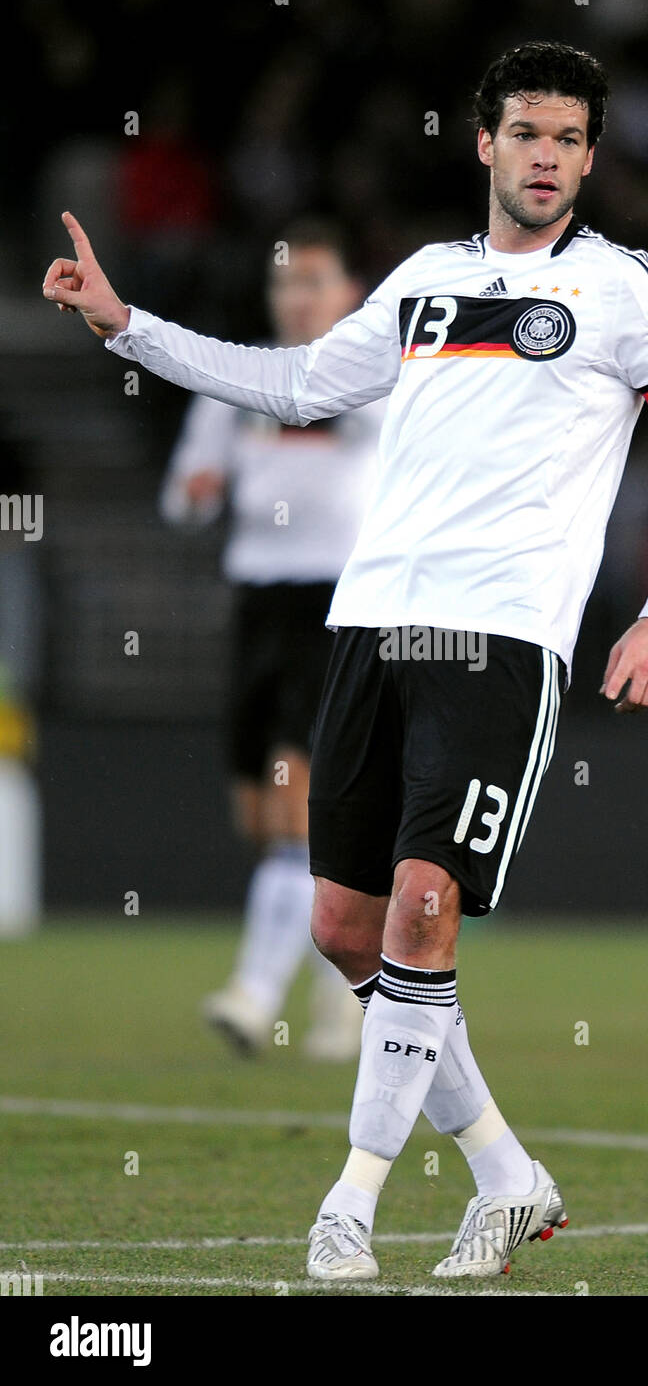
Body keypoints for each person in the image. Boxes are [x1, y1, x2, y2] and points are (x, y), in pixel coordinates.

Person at [42, 40, 648, 1282]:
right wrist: (125, 325)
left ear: (589, 156)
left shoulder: (627, 290)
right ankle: (504, 1174)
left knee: (425, 913)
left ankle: (349, 1207)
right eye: (525, 133)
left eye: (569, 139)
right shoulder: (425, 280)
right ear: (482, 143)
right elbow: (302, 383)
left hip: (503, 638)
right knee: (345, 925)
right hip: (368, 627)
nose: (545, 157)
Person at [160, 223, 380, 1061]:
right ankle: (348, 978)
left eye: (314, 281)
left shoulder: (374, 381)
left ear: (348, 294)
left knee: (296, 800)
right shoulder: (236, 383)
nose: (297, 296)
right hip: (258, 603)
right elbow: (180, 500)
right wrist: (197, 489)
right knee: (262, 817)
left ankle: (254, 996)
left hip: (337, 603)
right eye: (285, 283)